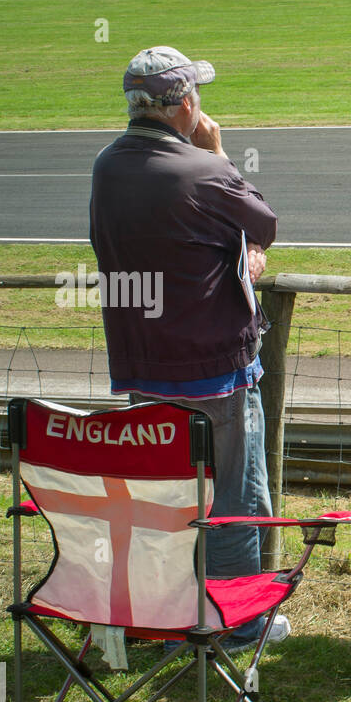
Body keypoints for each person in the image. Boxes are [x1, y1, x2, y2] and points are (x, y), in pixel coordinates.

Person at [90, 46, 284, 652]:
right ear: (185, 105)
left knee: (168, 497)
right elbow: (264, 223)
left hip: (144, 367)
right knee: (235, 499)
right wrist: (216, 151)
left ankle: (169, 610)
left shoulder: (106, 166)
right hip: (213, 371)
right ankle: (235, 621)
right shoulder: (198, 169)